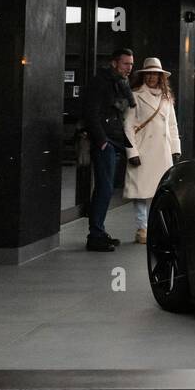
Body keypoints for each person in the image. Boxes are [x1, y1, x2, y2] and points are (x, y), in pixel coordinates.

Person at [123, 58, 181, 245]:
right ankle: (142, 228)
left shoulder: (167, 98)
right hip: (142, 150)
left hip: (163, 152)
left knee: (159, 192)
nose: (152, 77)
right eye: (148, 73)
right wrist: (132, 152)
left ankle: (157, 227)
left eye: (155, 74)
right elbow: (128, 126)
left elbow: (172, 125)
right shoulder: (135, 95)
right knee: (140, 191)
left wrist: (175, 149)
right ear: (143, 76)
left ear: (160, 77)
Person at [82, 48, 135, 251]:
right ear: (114, 63)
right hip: (105, 141)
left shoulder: (119, 83)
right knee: (104, 188)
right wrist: (102, 141)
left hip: (113, 140)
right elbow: (91, 112)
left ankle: (98, 232)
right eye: (125, 64)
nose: (129, 68)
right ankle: (95, 235)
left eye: (131, 64)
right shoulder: (101, 82)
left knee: (106, 188)